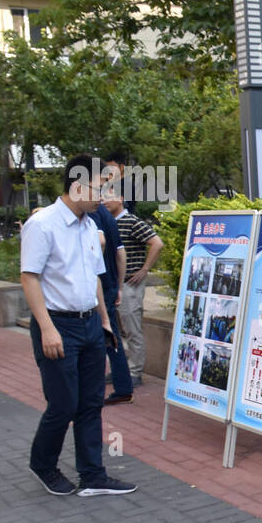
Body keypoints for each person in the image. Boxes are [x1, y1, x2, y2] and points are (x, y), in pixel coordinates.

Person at [20, 156, 136, 497]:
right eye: (101, 187)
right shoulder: (43, 225)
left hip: (90, 326)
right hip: (57, 325)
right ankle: (43, 464)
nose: (105, 194)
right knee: (64, 404)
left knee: (90, 403)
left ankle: (93, 474)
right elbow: (29, 278)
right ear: (78, 186)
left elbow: (94, 277)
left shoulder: (89, 225)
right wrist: (47, 328)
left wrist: (104, 320)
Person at [103, 155, 163, 389]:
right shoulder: (108, 223)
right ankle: (122, 368)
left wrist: (144, 270)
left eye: (109, 196)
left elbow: (157, 242)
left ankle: (136, 371)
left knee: (132, 329)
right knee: (118, 330)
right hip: (114, 285)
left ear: (120, 198)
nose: (104, 201)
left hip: (129, 284)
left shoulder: (132, 221)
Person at [92, 167, 134, 405]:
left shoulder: (94, 215)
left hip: (98, 287)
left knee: (100, 338)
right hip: (109, 285)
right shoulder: (107, 215)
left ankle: (99, 389)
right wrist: (118, 285)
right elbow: (121, 253)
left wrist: (93, 275)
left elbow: (101, 242)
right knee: (111, 336)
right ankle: (123, 387)